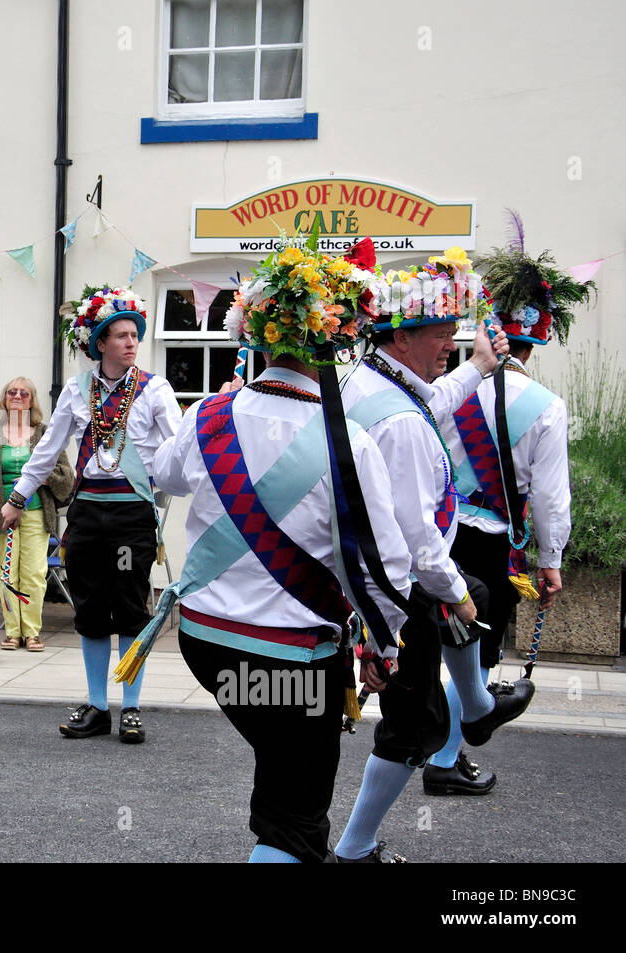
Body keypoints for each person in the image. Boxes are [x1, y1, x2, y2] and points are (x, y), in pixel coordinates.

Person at [144, 237, 412, 862]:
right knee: (295, 818)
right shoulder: (349, 443)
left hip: (206, 642)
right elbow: (386, 565)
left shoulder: (207, 415)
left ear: (256, 334)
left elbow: (164, 477)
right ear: (340, 340)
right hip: (290, 655)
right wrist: (383, 641)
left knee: (281, 766)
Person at [334, 249, 532, 862]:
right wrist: (457, 595)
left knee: (479, 593)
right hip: (391, 588)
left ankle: (475, 704)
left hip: (366, 571)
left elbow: (429, 403)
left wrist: (476, 366)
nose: (451, 342)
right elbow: (420, 543)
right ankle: (354, 847)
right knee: (414, 724)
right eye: (445, 333)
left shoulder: (363, 381)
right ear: (405, 336)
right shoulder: (401, 422)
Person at [428, 217, 590, 795]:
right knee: (476, 654)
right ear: (535, 340)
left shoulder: (451, 384)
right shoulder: (547, 406)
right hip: (492, 538)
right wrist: (552, 558)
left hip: (439, 534)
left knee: (443, 643)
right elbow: (548, 495)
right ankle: (443, 758)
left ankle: (432, 750)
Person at [1, 285, 181, 744]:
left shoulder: (154, 388)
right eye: (119, 336)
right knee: (90, 609)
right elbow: (47, 449)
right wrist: (18, 499)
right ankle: (99, 706)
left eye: (134, 335)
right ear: (100, 344)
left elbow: (179, 448)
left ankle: (133, 707)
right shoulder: (77, 391)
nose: (130, 342)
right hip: (85, 514)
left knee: (130, 608)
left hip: (131, 515)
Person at [0, 377, 72, 652]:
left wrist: (44, 478)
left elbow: (67, 477)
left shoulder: (44, 433)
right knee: (6, 573)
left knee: (33, 574)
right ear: (4, 400)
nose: (17, 396)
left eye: (24, 393)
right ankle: (13, 632)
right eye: (11, 392)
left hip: (35, 512)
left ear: (32, 400)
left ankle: (32, 632)